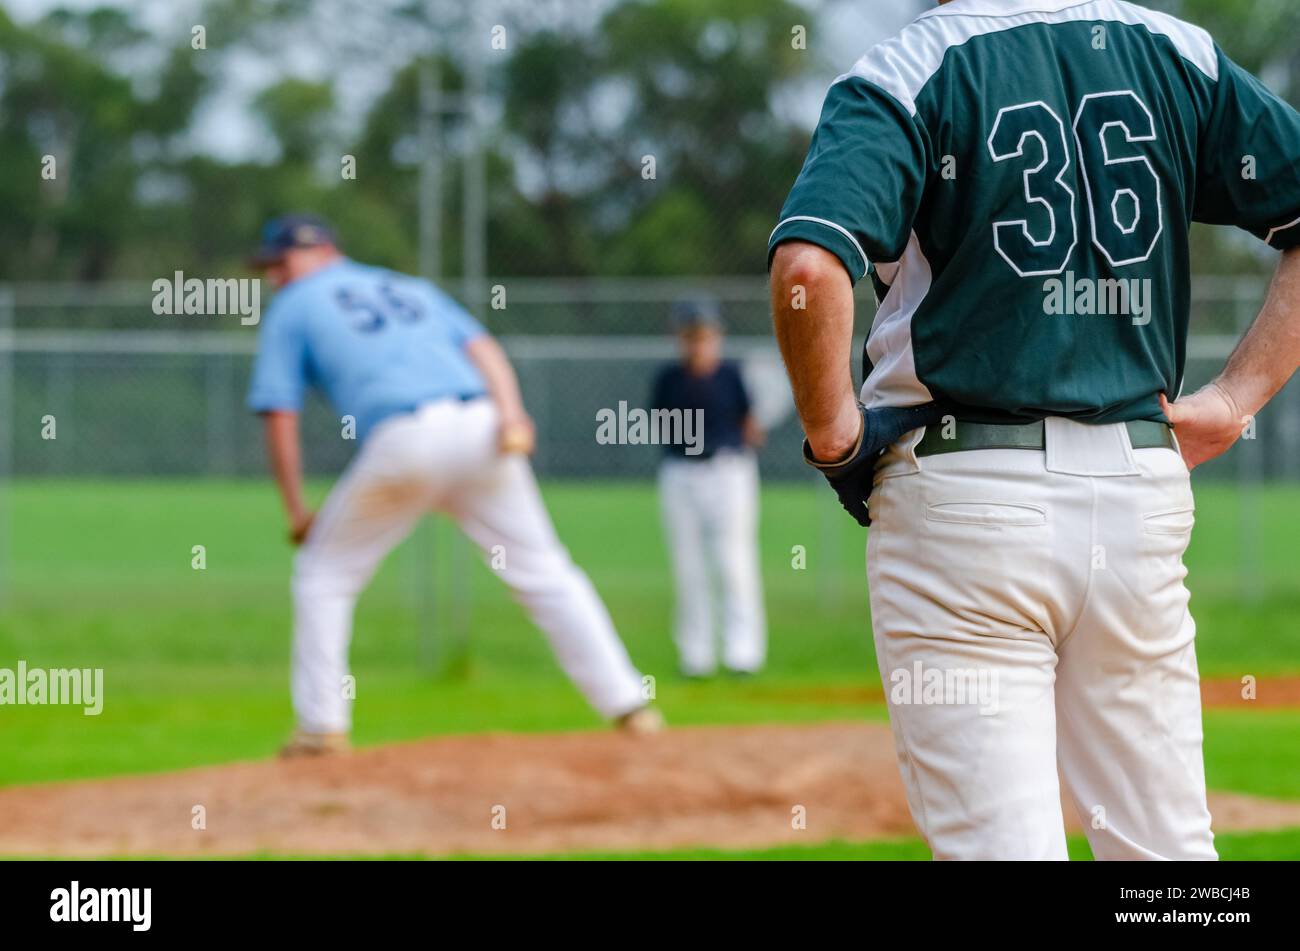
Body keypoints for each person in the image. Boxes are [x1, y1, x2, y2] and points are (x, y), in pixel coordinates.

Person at [768, 0, 1300, 859]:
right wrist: (1237, 399)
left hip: (965, 499)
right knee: (1169, 863)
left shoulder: (909, 68)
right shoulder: (1171, 49)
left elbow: (807, 267)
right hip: (1138, 497)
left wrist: (835, 440)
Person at [246, 214, 662, 756]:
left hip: (407, 437)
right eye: (270, 267)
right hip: (481, 426)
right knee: (545, 571)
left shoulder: (294, 305)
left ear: (319, 251)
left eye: (281, 262)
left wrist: (298, 510)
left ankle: (322, 727)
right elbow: (484, 348)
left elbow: (279, 413)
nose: (276, 275)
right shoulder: (405, 286)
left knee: (324, 573)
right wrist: (513, 415)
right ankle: (630, 704)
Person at [650, 301, 766, 678]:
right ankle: (695, 656)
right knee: (689, 567)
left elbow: (749, 425)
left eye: (704, 336)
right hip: (682, 473)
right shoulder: (669, 378)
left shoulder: (731, 375)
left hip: (728, 470)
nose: (698, 344)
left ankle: (742, 653)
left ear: (717, 337)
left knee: (733, 563)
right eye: (691, 336)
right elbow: (659, 425)